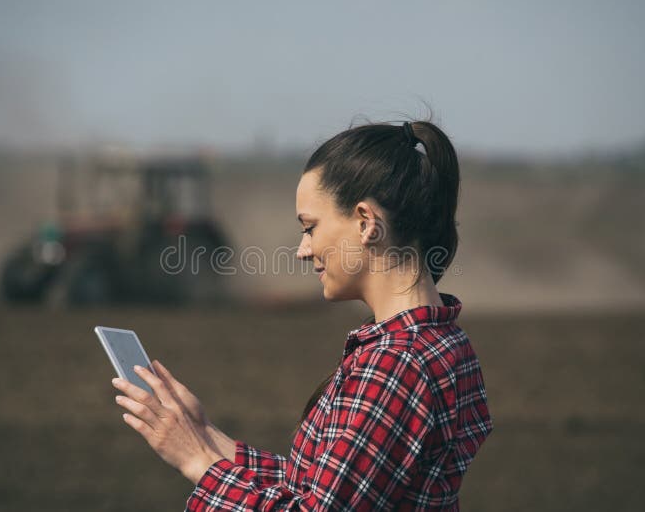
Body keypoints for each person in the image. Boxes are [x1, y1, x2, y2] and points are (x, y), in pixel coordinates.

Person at [111, 119, 493, 510]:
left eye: (309, 228)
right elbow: (325, 483)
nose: (302, 249)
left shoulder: (395, 364)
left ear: (365, 223)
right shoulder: (438, 340)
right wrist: (204, 434)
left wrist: (197, 460)